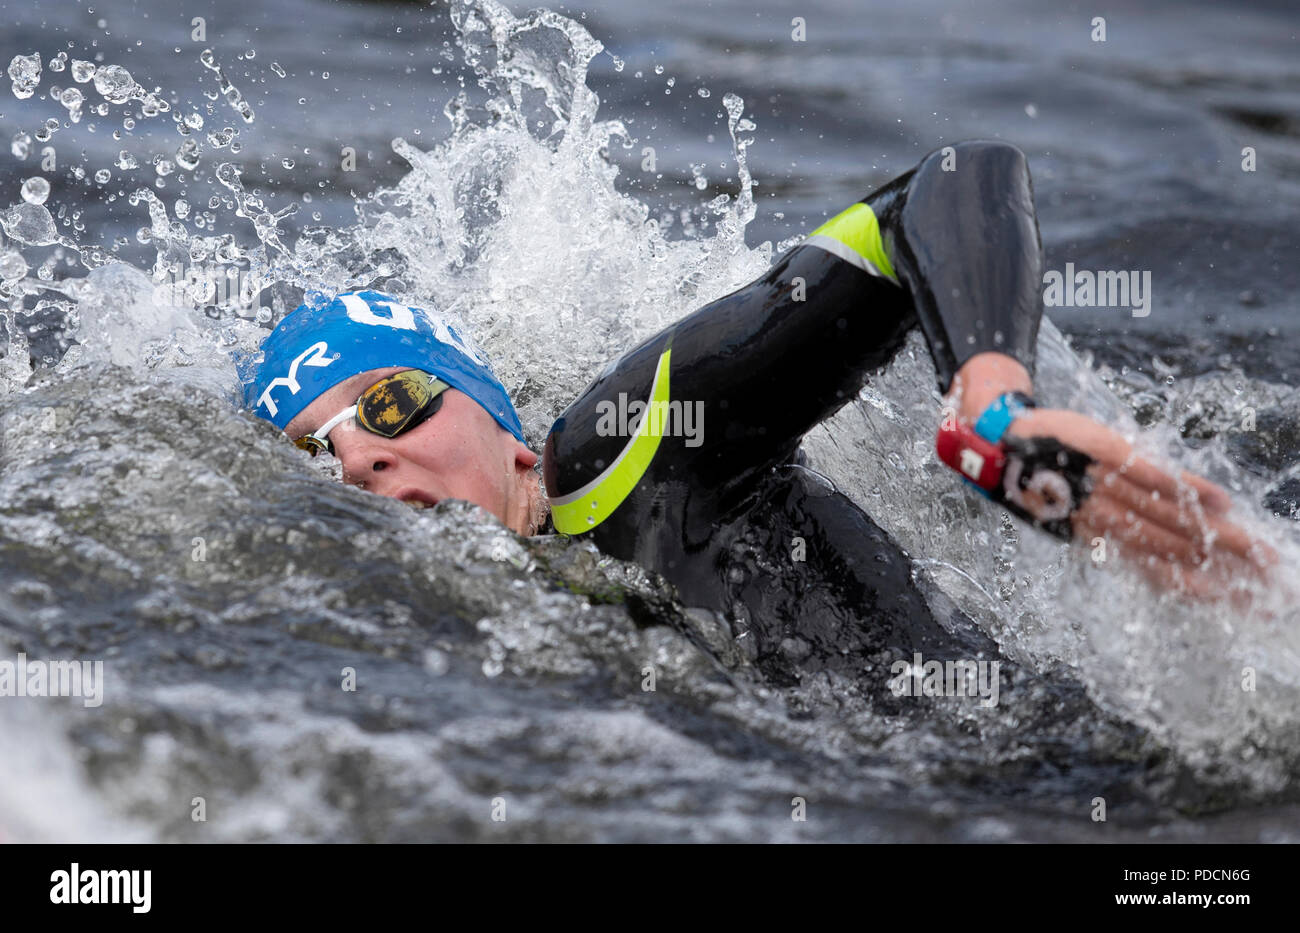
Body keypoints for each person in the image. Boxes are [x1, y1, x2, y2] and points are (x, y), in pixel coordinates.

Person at [242, 140, 1272, 682]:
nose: (358, 462)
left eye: (388, 404)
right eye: (314, 455)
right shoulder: (422, 646)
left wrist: (993, 403)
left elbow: (949, 182)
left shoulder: (618, 459)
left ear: (502, 428)